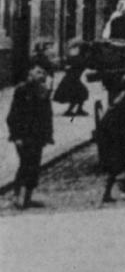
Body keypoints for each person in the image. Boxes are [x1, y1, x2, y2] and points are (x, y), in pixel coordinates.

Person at [6, 63, 54, 209]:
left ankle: (28, 198)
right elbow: (13, 115)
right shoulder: (22, 90)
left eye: (43, 72)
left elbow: (47, 115)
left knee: (35, 166)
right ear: (30, 74)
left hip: (38, 135)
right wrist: (16, 136)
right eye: (37, 72)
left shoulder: (44, 92)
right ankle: (16, 196)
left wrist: (48, 135)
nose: (41, 75)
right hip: (23, 134)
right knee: (25, 164)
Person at [96, 76, 125, 203]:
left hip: (116, 132)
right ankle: (110, 192)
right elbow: (124, 120)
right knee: (118, 163)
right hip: (113, 133)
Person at [53, 49, 89, 117]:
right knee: (78, 94)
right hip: (72, 79)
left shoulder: (78, 57)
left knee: (82, 93)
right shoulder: (82, 59)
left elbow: (67, 63)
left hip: (72, 78)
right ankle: (70, 111)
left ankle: (78, 109)